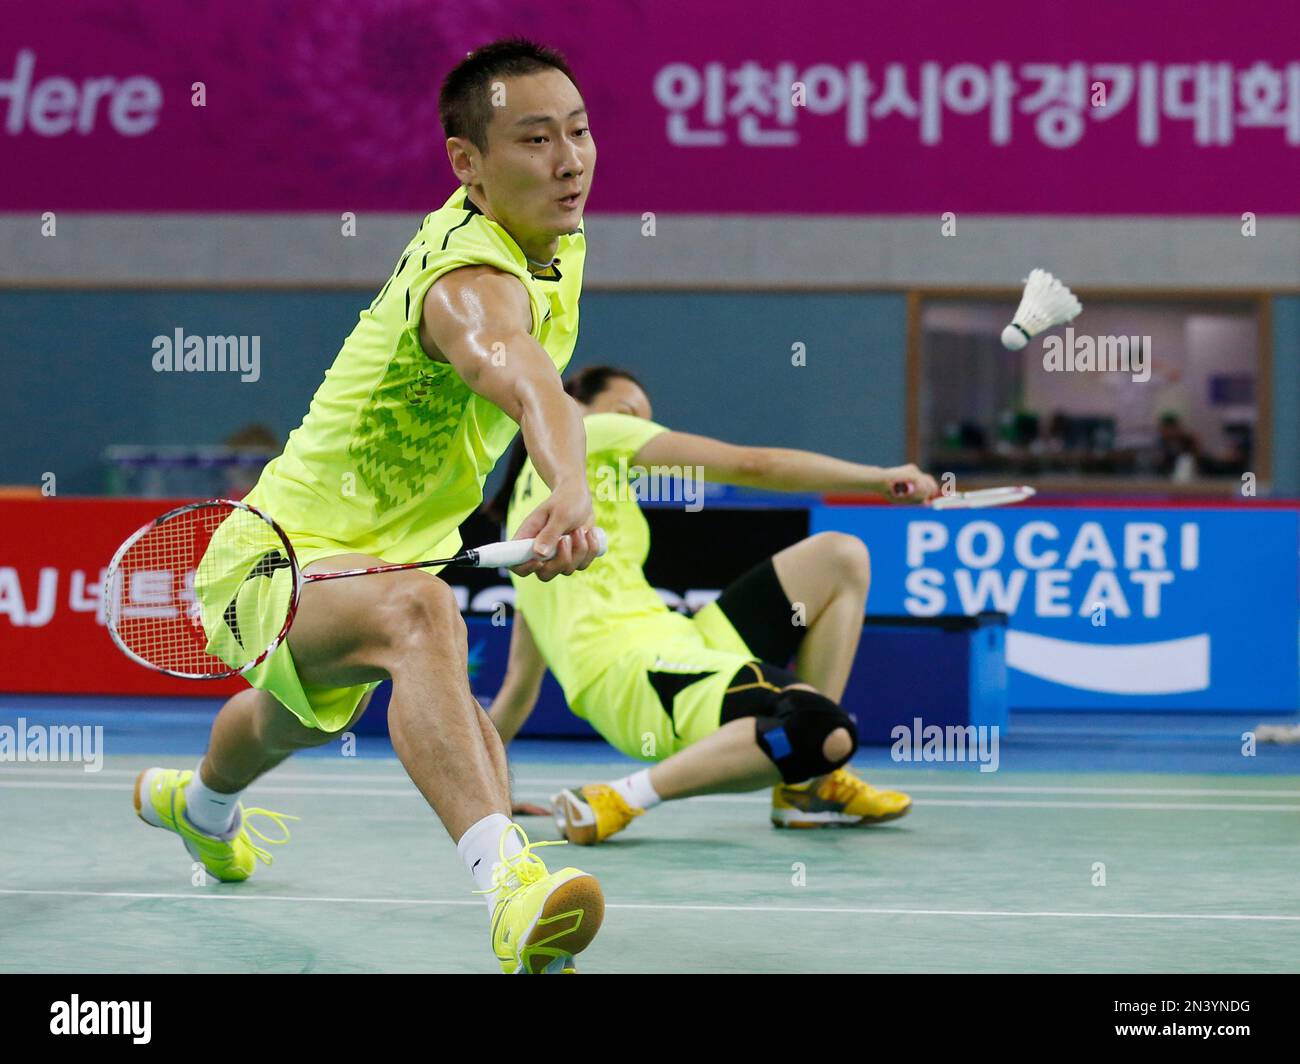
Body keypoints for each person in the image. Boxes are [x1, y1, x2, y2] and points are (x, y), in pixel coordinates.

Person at [133, 39, 608, 974]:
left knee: (291, 721)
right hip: (270, 558)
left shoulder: (555, 238)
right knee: (417, 616)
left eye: (582, 132)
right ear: (467, 164)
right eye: (537, 139)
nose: (570, 160)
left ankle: (197, 808)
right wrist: (568, 483)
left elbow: (538, 379)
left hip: (384, 557)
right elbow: (522, 376)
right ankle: (510, 886)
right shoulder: (466, 285)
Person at [486, 366, 938, 845]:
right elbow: (752, 466)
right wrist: (880, 480)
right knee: (822, 730)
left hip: (676, 643)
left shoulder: (529, 516)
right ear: (571, 405)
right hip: (639, 675)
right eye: (628, 412)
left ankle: (808, 787)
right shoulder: (589, 430)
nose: (638, 424)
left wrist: (487, 796)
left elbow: (519, 686)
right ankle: (617, 798)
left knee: (841, 558)